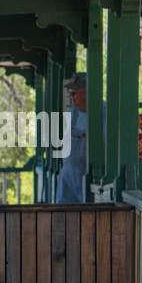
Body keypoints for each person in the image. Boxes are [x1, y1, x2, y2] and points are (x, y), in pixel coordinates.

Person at [55, 73, 89, 204]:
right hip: (67, 185)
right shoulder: (71, 113)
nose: (71, 96)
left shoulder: (104, 113)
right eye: (70, 93)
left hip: (89, 186)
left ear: (87, 92)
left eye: (74, 93)